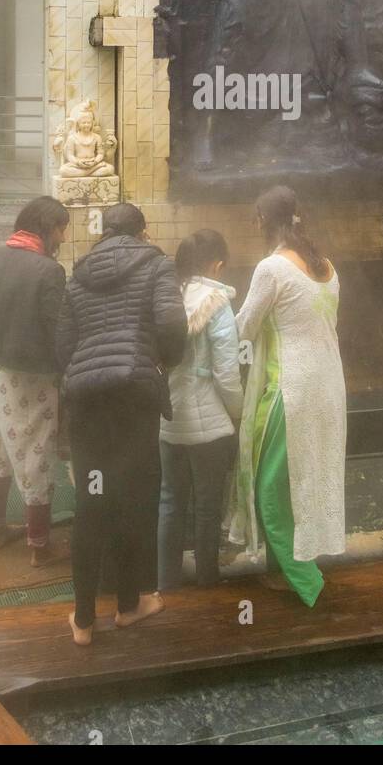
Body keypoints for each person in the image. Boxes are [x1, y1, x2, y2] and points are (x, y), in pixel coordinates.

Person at [56, 203, 187, 645]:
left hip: (88, 403)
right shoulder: (156, 266)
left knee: (91, 504)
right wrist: (162, 361)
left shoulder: (77, 276)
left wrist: (81, 370)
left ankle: (83, 621)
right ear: (142, 232)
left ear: (103, 232)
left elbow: (63, 344)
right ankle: (131, 606)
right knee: (136, 498)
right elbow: (172, 322)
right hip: (134, 398)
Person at [229, 185, 346, 606]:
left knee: (269, 491)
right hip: (330, 388)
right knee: (306, 480)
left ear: (261, 220)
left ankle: (309, 583)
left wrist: (204, 307)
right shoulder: (328, 267)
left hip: (290, 390)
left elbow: (242, 327)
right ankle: (289, 570)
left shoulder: (271, 269)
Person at [0, 195, 70, 566]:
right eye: (61, 228)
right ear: (47, 227)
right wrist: (64, 369)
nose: (63, 236)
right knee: (37, 453)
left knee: (1, 443)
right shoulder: (49, 271)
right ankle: (39, 545)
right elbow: (57, 331)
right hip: (35, 377)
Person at [157, 229, 243, 591]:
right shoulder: (217, 302)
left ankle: (166, 583)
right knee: (207, 505)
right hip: (209, 428)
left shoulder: (165, 297)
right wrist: (237, 412)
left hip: (167, 419)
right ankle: (208, 580)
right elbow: (226, 373)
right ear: (217, 265)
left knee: (170, 501)